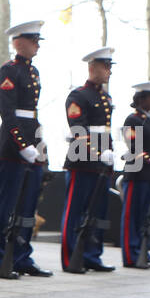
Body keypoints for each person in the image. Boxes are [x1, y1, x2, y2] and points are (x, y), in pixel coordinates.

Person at [0, 21, 52, 278]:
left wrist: (36, 145)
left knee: (27, 208)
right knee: (6, 205)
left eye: (37, 40)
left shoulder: (33, 72)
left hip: (32, 140)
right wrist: (22, 145)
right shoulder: (9, 71)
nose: (37, 45)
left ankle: (22, 257)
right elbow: (8, 113)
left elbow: (31, 114)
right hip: (13, 147)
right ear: (18, 42)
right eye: (32, 40)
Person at [61, 47, 118, 272]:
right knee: (75, 212)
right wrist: (96, 153)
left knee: (97, 213)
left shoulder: (105, 97)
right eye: (106, 67)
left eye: (110, 67)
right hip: (82, 161)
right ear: (92, 67)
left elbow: (105, 130)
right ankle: (70, 258)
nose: (109, 71)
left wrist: (109, 155)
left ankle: (93, 255)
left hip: (102, 163)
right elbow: (79, 130)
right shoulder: (78, 96)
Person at [122, 81, 150, 268]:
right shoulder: (132, 120)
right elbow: (134, 149)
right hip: (136, 173)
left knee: (145, 217)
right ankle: (131, 255)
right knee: (133, 216)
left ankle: (143, 252)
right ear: (142, 99)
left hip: (149, 175)